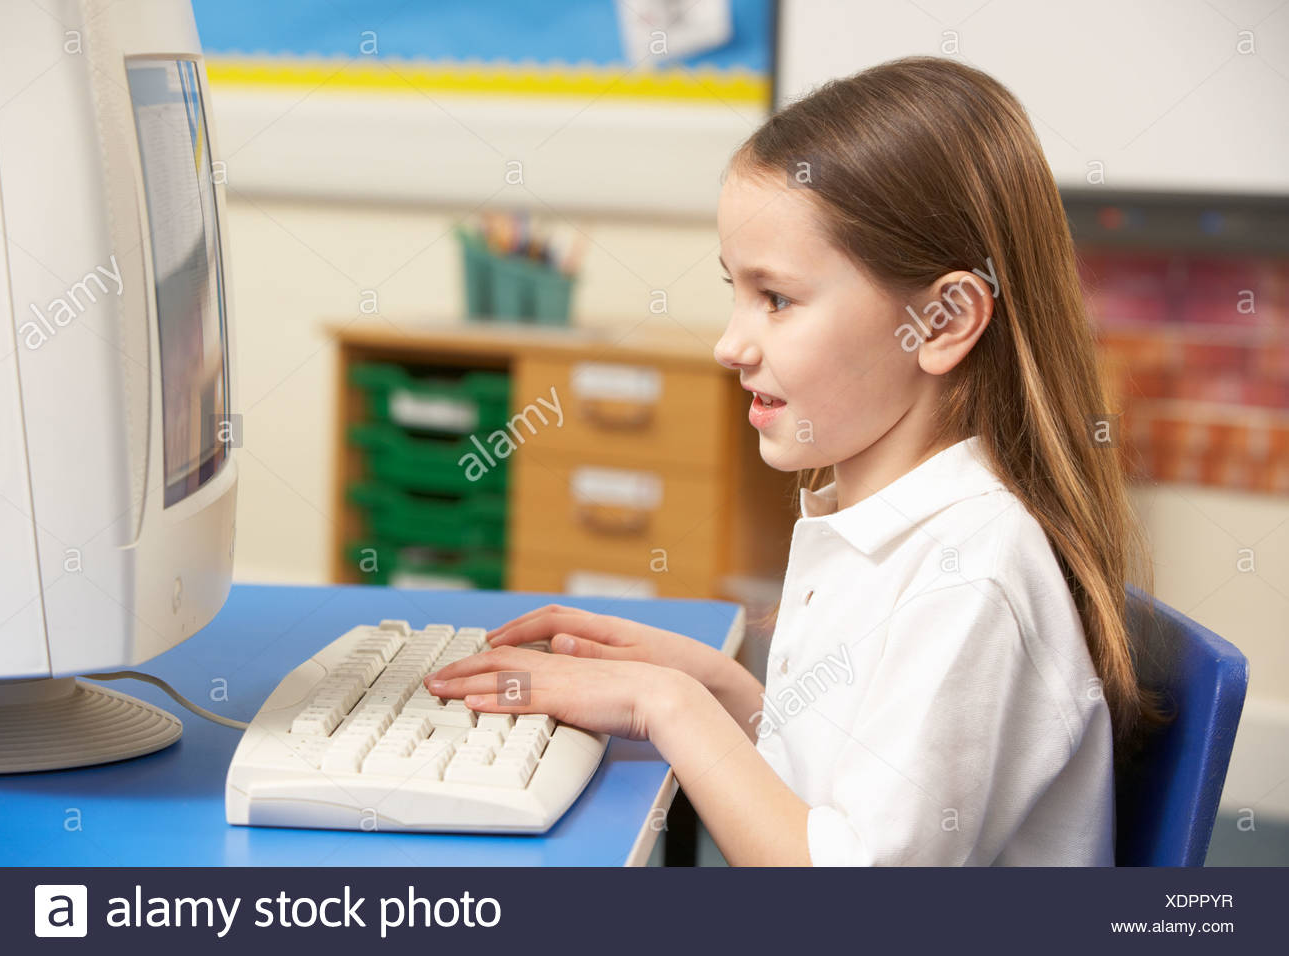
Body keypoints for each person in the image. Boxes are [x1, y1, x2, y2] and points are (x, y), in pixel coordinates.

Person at [423, 55, 1170, 866]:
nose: (730, 344)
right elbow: (835, 790)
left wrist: (664, 705)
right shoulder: (881, 519)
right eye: (734, 291)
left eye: (775, 298)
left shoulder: (973, 578)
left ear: (946, 319)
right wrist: (724, 691)